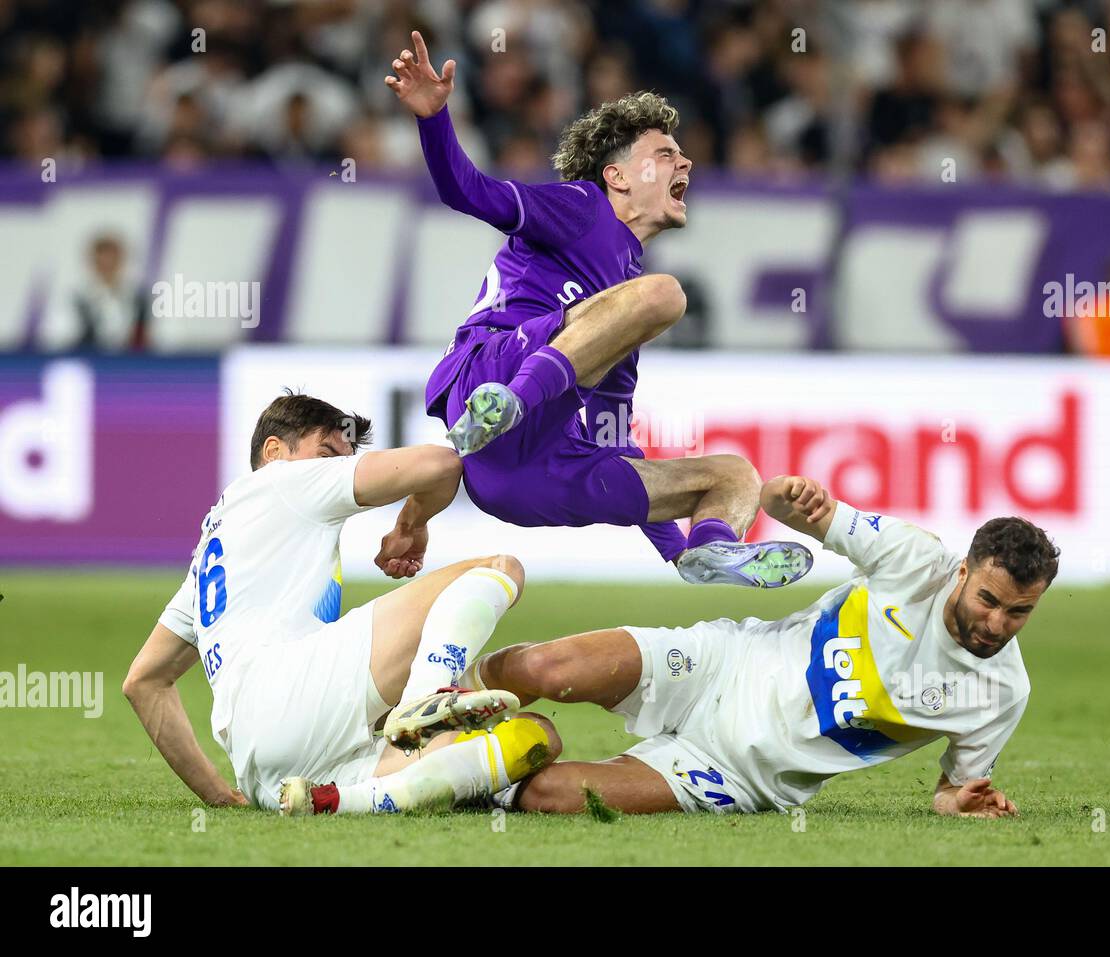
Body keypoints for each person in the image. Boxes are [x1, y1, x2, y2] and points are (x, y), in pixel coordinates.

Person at [381, 31, 812, 590]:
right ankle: (511, 402)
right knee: (666, 294)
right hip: (489, 376)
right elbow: (468, 192)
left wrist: (674, 547)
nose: (687, 162)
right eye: (665, 154)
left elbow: (611, 434)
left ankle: (708, 555)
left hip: (529, 475)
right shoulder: (583, 208)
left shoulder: (627, 303)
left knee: (734, 476)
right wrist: (435, 119)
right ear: (617, 176)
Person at [441, 474, 1058, 817]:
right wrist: (792, 498)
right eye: (989, 600)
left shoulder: (1000, 693)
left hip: (740, 774)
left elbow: (954, 789)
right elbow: (783, 505)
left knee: (547, 794)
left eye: (1019, 612)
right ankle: (423, 701)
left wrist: (958, 803)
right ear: (962, 572)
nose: (998, 624)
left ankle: (433, 773)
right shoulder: (914, 557)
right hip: (723, 666)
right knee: (543, 668)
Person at [122, 391, 559, 814]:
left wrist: (220, 797)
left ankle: (348, 799)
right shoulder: (281, 481)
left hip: (261, 770)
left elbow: (144, 683)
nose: (339, 469)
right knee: (501, 568)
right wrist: (412, 524)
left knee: (533, 738)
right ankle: (424, 696)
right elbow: (441, 464)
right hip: (293, 691)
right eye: (328, 455)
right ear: (274, 451)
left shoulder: (211, 559)